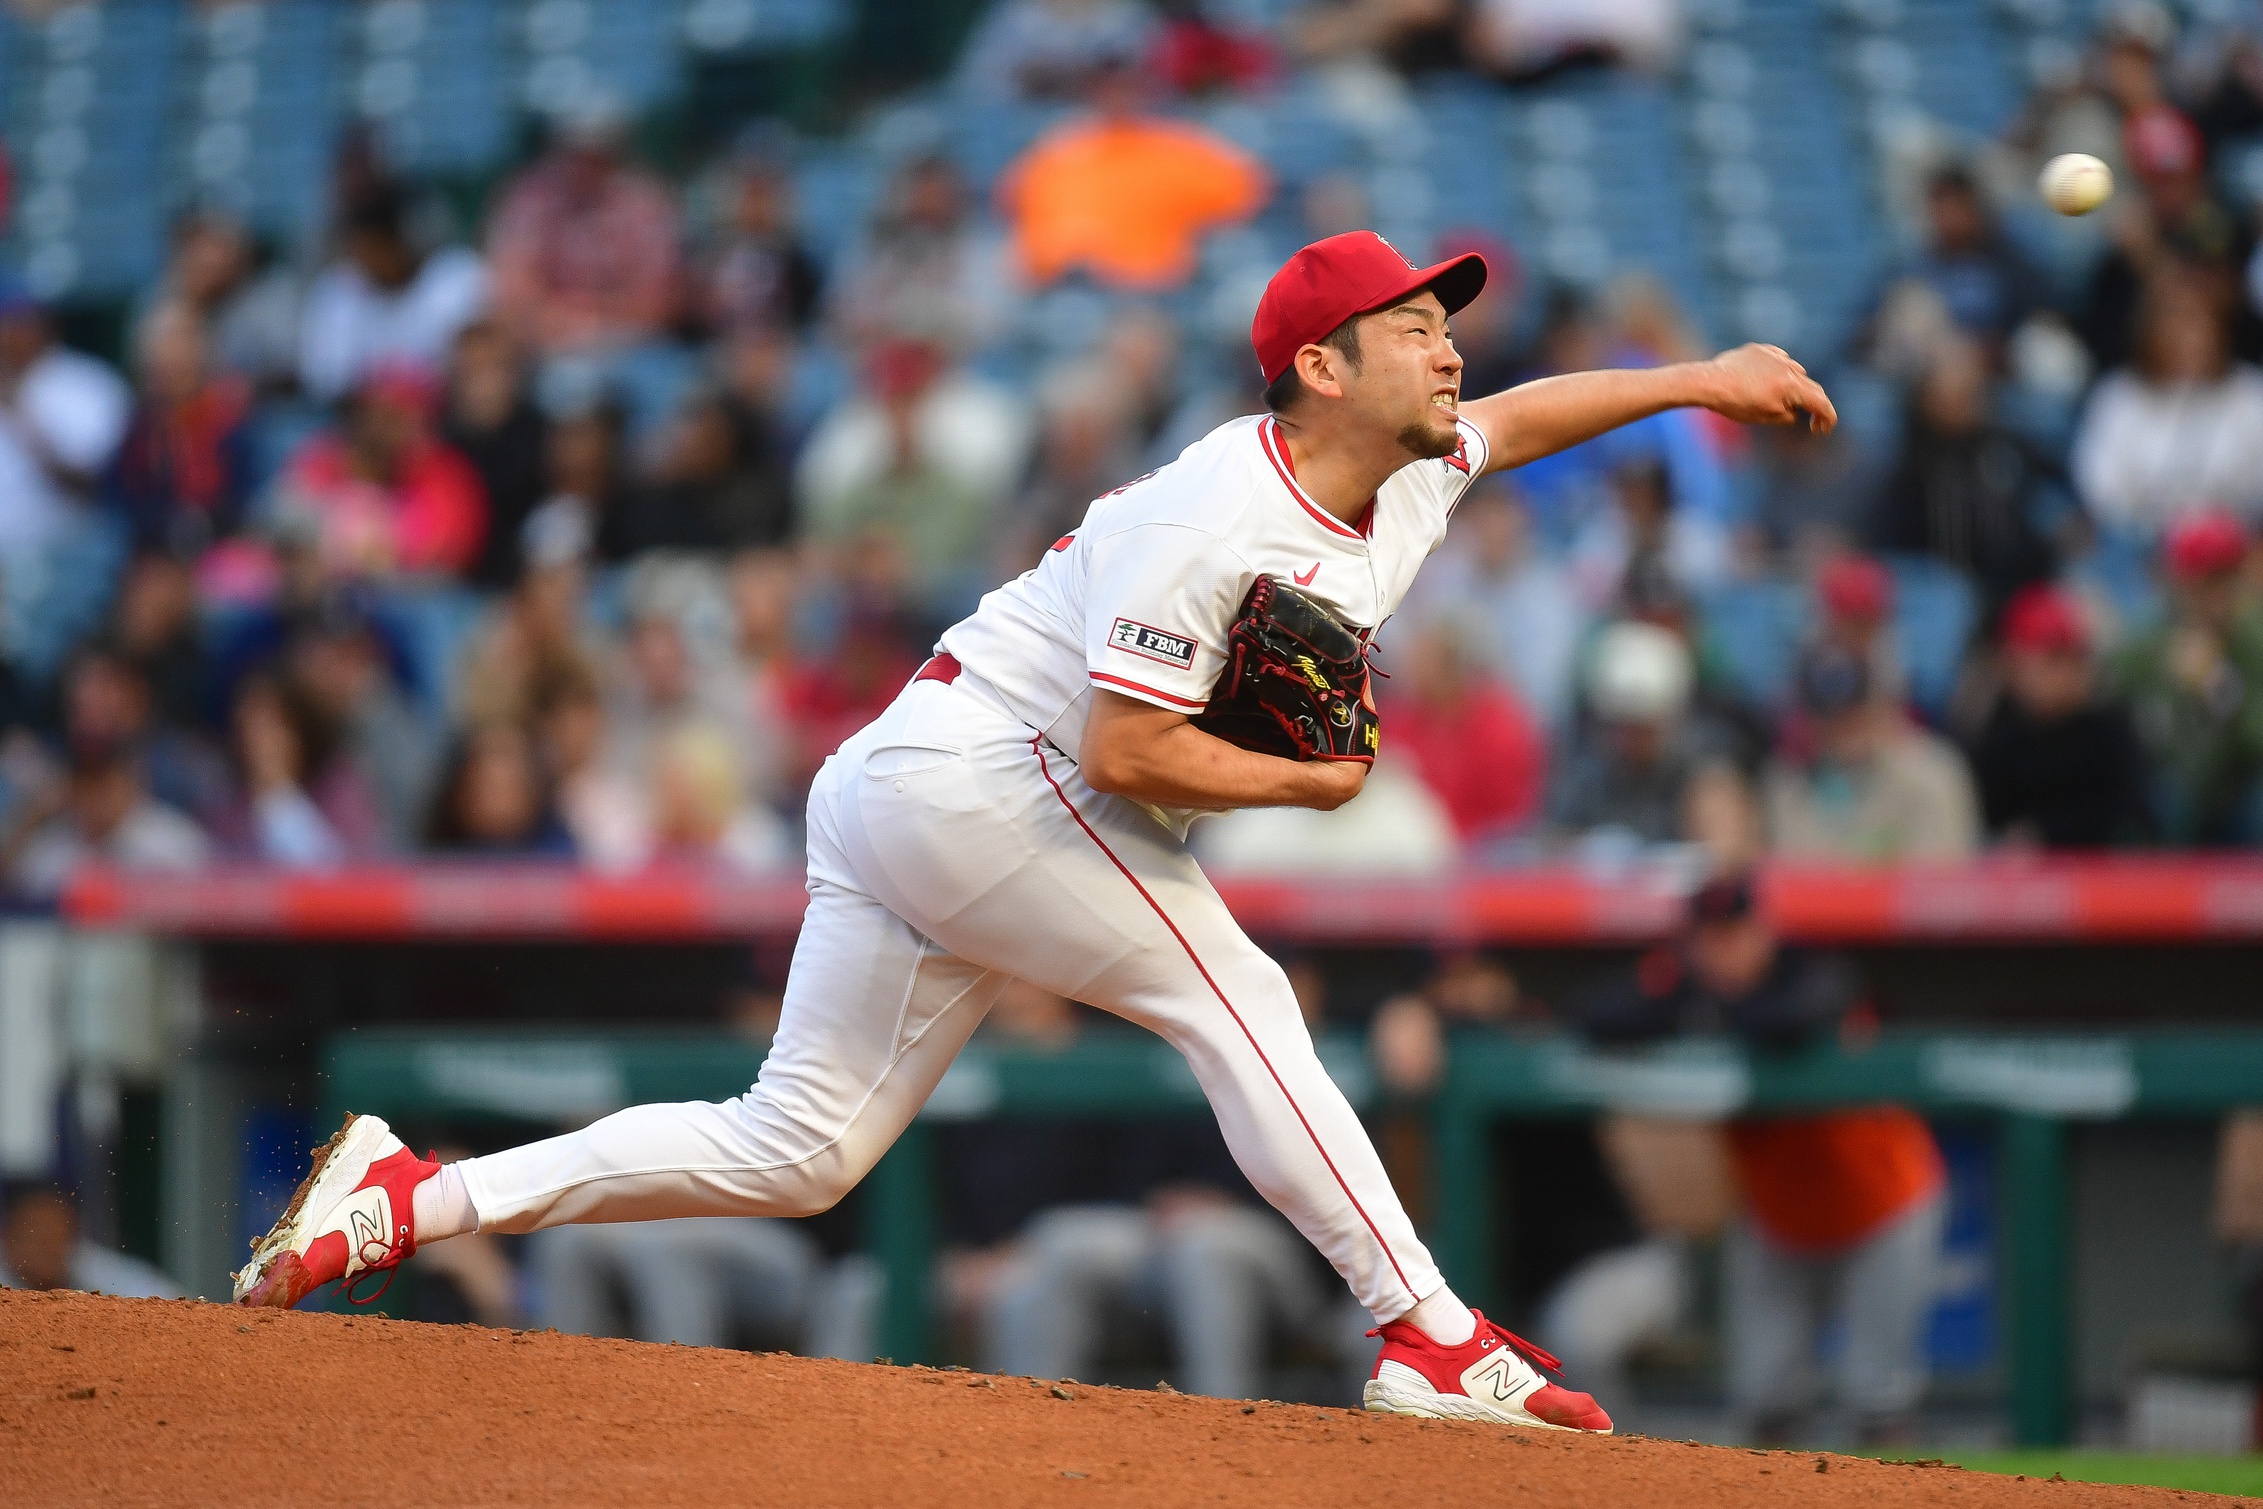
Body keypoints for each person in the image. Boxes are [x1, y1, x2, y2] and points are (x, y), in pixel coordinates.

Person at [232, 229, 1835, 1435]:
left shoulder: (1403, 468)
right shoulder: (1217, 510)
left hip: (918, 785)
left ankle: (406, 1198)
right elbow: (1121, 740)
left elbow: (1535, 414)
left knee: (798, 1150)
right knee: (1239, 997)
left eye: (1444, 322)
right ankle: (1425, 1330)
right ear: (1320, 369)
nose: (1446, 348)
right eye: (1410, 325)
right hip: (979, 770)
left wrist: (1700, 378)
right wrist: (1304, 785)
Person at [1573, 875, 1946, 1445]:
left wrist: (1705, 1015)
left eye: (1737, 933)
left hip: (1882, 1206)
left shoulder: (1810, 969)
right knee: (1766, 1403)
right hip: (1778, 1216)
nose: (1726, 949)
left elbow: (1797, 1017)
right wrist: (1695, 1008)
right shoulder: (1686, 988)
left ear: (1762, 931)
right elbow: (1596, 1013)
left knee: (1878, 1402)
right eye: (1711, 937)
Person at [997, 59, 1268, 292]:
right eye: (1107, 88)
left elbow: (1248, 189)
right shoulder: (1060, 150)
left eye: (1126, 87)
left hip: (1158, 288)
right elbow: (1015, 207)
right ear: (1090, 93)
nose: (1117, 97)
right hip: (1075, 289)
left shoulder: (1177, 144)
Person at [2111, 510, 2263, 844]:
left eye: (2222, 578)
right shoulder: (2149, 640)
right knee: (2161, 799)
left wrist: (2221, 687)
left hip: (2240, 788)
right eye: (2199, 581)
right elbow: (2112, 710)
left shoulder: (2254, 635)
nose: (2212, 595)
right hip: (2172, 783)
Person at [2072, 276, 2263, 539]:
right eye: (2181, 327)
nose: (2196, 340)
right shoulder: (2119, 396)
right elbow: (2101, 487)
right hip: (2138, 545)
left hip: (2236, 543)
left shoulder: (2250, 393)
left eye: (2203, 325)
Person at [1968, 585, 2150, 848]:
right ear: (2013, 665)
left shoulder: (2108, 729)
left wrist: (2046, 833)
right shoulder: (1996, 733)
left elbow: (2130, 814)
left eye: (2076, 658)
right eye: (2053, 661)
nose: (2068, 674)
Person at [1762, 643, 1980, 862]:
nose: (1845, 729)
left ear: (1880, 706)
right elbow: (1795, 868)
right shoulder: (1789, 779)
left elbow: (1944, 869)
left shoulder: (1932, 771)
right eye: (1830, 720)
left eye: (1856, 714)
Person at [298, 184, 489, 405]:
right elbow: (326, 383)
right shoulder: (338, 292)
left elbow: (480, 365)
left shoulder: (457, 277)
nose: (367, 260)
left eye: (377, 248)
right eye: (359, 251)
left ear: (403, 239)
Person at [0, 1182, 180, 1298]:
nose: (48, 1247)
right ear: (7, 1237)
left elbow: (167, 1300)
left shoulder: (88, 1267)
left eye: (57, 1236)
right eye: (36, 1236)